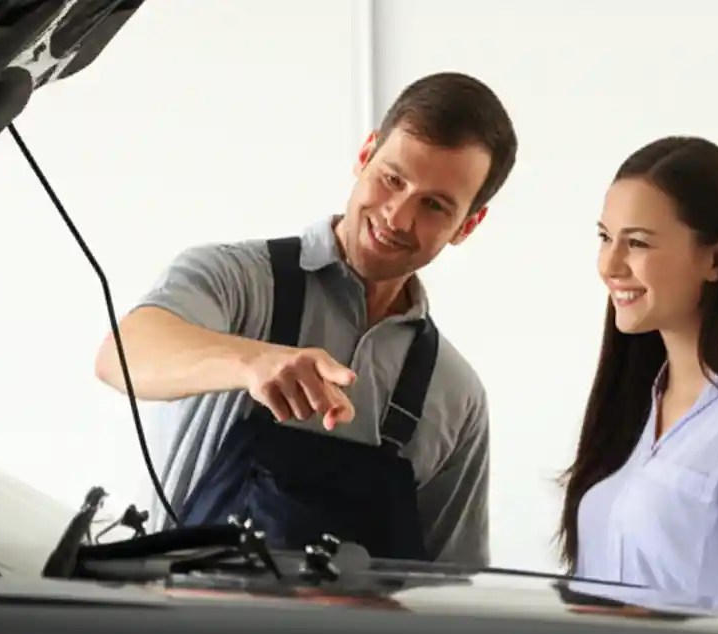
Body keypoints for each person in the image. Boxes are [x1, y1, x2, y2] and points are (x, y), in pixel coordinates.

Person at [95, 72, 518, 567]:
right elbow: (120, 355)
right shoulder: (238, 281)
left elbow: (452, 589)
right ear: (365, 155)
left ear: (468, 225)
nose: (397, 217)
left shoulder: (456, 395)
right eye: (392, 179)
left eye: (434, 205)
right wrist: (252, 361)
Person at [557, 135, 718, 611]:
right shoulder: (629, 411)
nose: (609, 265)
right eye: (604, 237)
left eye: (636, 242)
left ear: (717, 258)